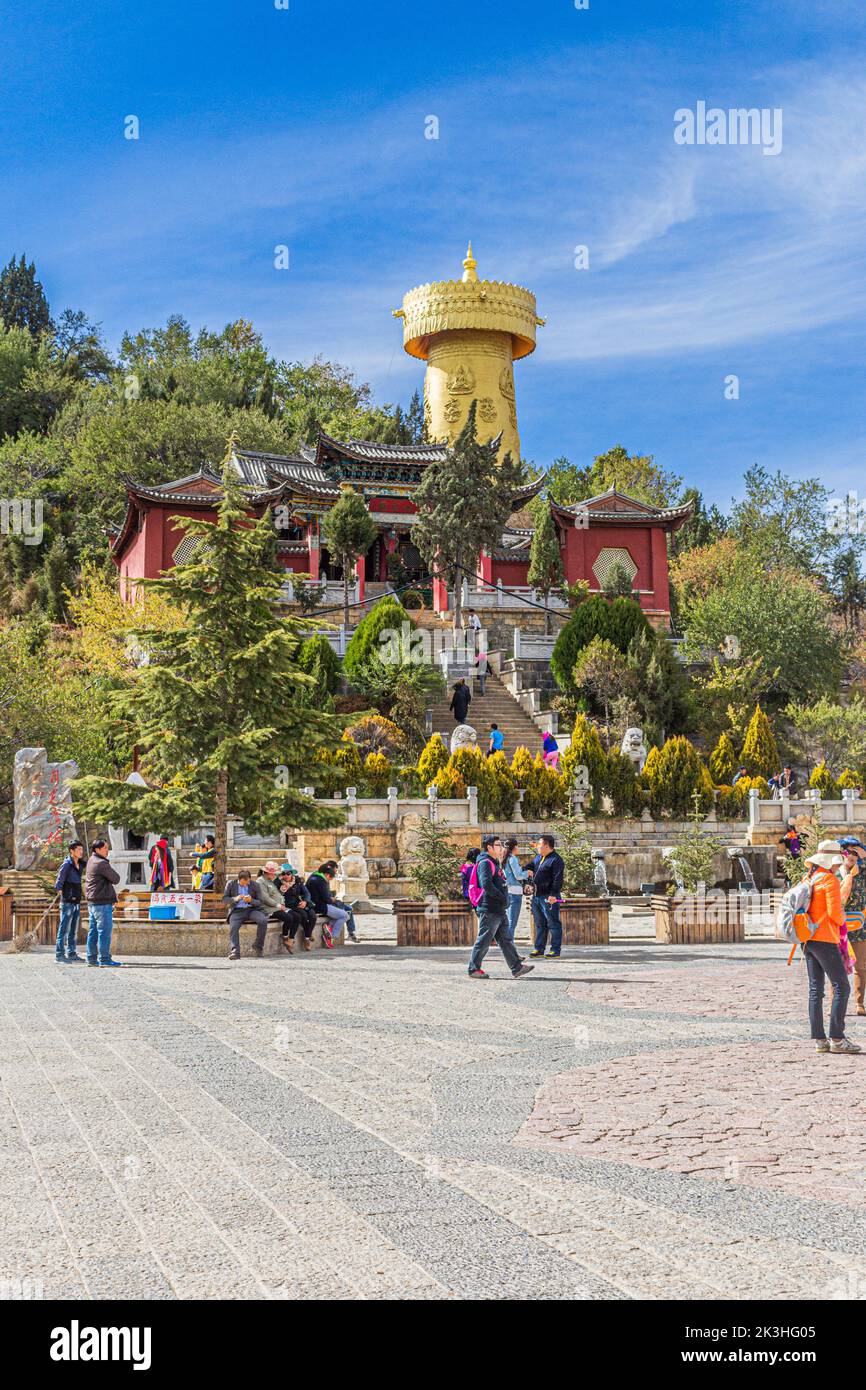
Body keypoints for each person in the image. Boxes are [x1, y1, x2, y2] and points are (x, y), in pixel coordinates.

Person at [799, 840, 860, 1054]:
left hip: (807, 938)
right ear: (832, 861)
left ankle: (819, 1040)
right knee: (842, 986)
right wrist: (846, 918)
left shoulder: (809, 877)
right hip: (826, 938)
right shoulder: (830, 880)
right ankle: (837, 1038)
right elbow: (835, 914)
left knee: (815, 989)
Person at [467, 834, 534, 980]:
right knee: (484, 939)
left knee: (505, 939)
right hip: (489, 908)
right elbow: (487, 884)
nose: (500, 847)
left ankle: (517, 967)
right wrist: (502, 897)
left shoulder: (493, 862)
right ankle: (474, 968)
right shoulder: (485, 862)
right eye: (497, 845)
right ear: (489, 847)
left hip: (498, 908)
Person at [84, 838, 122, 968]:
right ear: (98, 849)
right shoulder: (101, 863)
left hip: (93, 902)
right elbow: (116, 878)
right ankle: (104, 958)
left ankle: (91, 958)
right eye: (105, 848)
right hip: (102, 902)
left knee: (93, 931)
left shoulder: (91, 860)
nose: (107, 850)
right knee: (104, 931)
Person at [840, 837, 866, 1017]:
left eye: (855, 853)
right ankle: (837, 1004)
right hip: (837, 925)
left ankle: (859, 1003)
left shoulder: (863, 873)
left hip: (860, 925)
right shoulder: (833, 873)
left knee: (861, 965)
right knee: (837, 967)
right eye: (848, 851)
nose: (851, 855)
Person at [529, 833, 565, 959]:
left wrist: (553, 894)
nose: (537, 846)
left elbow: (558, 879)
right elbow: (531, 866)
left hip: (548, 897)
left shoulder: (556, 860)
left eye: (539, 844)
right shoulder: (539, 857)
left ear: (546, 846)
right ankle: (539, 948)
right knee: (540, 924)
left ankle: (555, 950)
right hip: (536, 896)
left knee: (553, 923)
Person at [305, 863, 359, 946]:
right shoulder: (321, 881)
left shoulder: (315, 876)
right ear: (327, 874)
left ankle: (330, 928)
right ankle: (332, 936)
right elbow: (327, 899)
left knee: (346, 912)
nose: (330, 880)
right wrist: (333, 899)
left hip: (316, 904)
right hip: (320, 906)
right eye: (331, 878)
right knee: (345, 915)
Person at [223, 869, 268, 961]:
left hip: (251, 910)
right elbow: (225, 899)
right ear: (239, 879)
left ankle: (258, 946)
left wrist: (251, 900)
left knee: (263, 920)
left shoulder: (255, 885)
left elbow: (260, 902)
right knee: (234, 927)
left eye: (248, 882)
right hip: (237, 911)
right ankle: (235, 951)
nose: (247, 884)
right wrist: (236, 898)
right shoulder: (231, 884)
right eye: (244, 883)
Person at [54, 839, 85, 962]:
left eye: (82, 849)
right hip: (67, 902)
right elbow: (59, 882)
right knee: (64, 929)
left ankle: (72, 953)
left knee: (73, 929)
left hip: (76, 901)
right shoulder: (67, 864)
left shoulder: (80, 864)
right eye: (78, 849)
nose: (81, 851)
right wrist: (63, 893)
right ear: (72, 851)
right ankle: (59, 955)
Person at [278, 868, 316, 953]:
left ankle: (308, 934)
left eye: (288, 873)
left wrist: (305, 901)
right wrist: (282, 891)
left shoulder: (298, 881)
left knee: (313, 916)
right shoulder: (279, 883)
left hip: (301, 903)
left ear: (291, 874)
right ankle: (307, 937)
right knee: (303, 915)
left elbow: (307, 893)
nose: (286, 876)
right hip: (290, 905)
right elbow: (277, 896)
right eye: (284, 874)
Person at [501, 837, 531, 941]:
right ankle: (510, 948)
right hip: (515, 892)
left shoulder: (505, 858)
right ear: (514, 847)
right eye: (517, 845)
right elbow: (518, 876)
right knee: (512, 923)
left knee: (509, 922)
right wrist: (528, 873)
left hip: (508, 891)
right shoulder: (512, 858)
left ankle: (508, 946)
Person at [256, 860, 295, 939]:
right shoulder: (260, 881)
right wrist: (278, 905)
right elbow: (265, 898)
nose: (275, 875)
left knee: (296, 916)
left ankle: (290, 938)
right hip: (268, 909)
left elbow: (275, 894)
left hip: (276, 906)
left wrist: (282, 891)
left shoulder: (270, 881)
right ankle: (285, 937)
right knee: (289, 918)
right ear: (268, 872)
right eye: (273, 873)